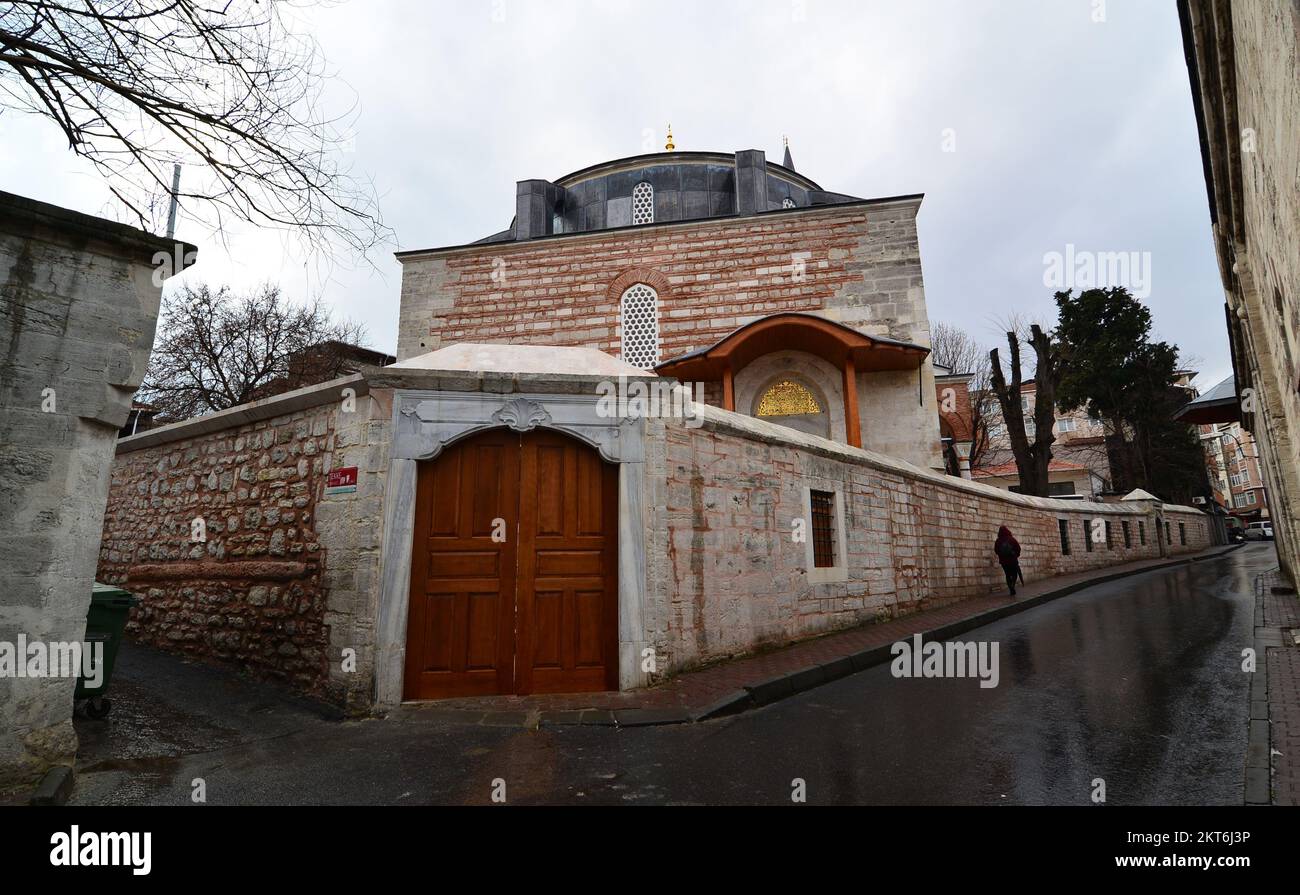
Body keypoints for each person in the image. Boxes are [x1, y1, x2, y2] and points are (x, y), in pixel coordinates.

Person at [994, 525, 1022, 596]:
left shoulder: (998, 540)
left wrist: (1001, 555)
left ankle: (1010, 588)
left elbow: (996, 550)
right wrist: (1016, 555)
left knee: (1007, 575)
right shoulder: (1011, 539)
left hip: (1004, 561)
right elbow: (1018, 548)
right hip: (1013, 560)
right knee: (1014, 574)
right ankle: (1013, 585)